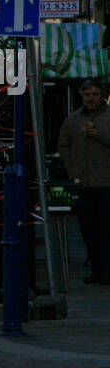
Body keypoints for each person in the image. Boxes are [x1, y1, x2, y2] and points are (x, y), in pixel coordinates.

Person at [58, 80, 110, 284]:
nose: (91, 98)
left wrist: (98, 135)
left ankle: (107, 272)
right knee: (88, 231)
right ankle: (97, 271)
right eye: (87, 94)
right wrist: (72, 169)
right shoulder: (73, 119)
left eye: (95, 94)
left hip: (106, 183)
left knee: (106, 230)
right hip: (83, 184)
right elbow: (63, 145)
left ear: (102, 96)